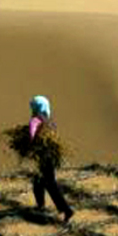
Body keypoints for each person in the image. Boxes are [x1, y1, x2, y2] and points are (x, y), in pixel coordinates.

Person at [28, 95, 74, 223]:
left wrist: (29, 145)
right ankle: (40, 205)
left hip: (44, 155)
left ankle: (67, 210)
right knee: (38, 181)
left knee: (50, 183)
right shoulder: (50, 121)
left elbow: (32, 138)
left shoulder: (35, 120)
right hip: (52, 155)